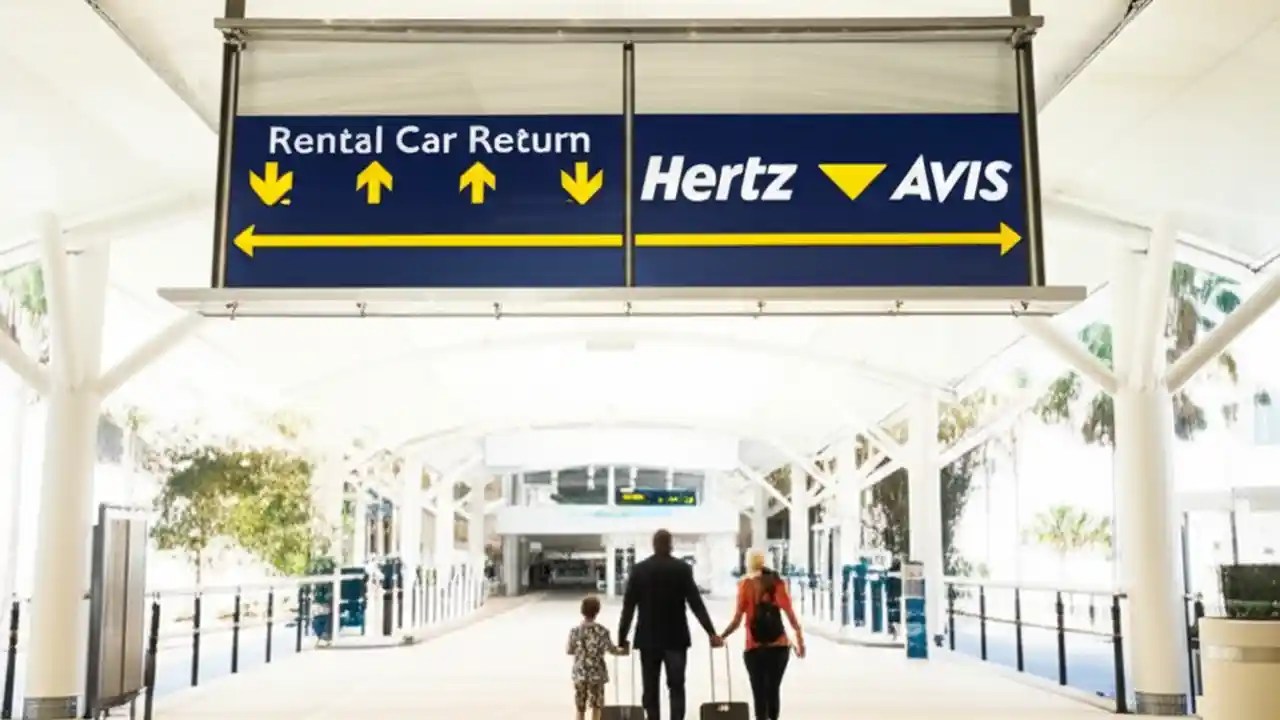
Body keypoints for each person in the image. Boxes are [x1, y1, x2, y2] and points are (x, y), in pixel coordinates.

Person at [618, 529, 723, 720]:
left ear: (653, 544)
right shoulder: (681, 569)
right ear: (670, 544)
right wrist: (711, 633)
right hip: (676, 639)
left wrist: (621, 638)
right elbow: (695, 603)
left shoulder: (639, 570)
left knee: (650, 687)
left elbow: (628, 607)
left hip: (648, 640)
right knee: (676, 686)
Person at [720, 549, 805, 720]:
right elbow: (789, 612)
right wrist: (799, 640)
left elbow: (737, 619)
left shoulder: (745, 584)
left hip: (754, 647)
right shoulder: (776, 582)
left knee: (759, 693)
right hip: (778, 647)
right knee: (773, 690)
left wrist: (721, 636)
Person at [568, 595, 627, 720]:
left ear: (582, 611)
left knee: (580, 707)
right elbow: (612, 650)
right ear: (597, 611)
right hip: (597, 674)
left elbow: (569, 650)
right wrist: (624, 650)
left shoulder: (575, 631)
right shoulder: (602, 631)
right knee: (597, 706)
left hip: (580, 674)